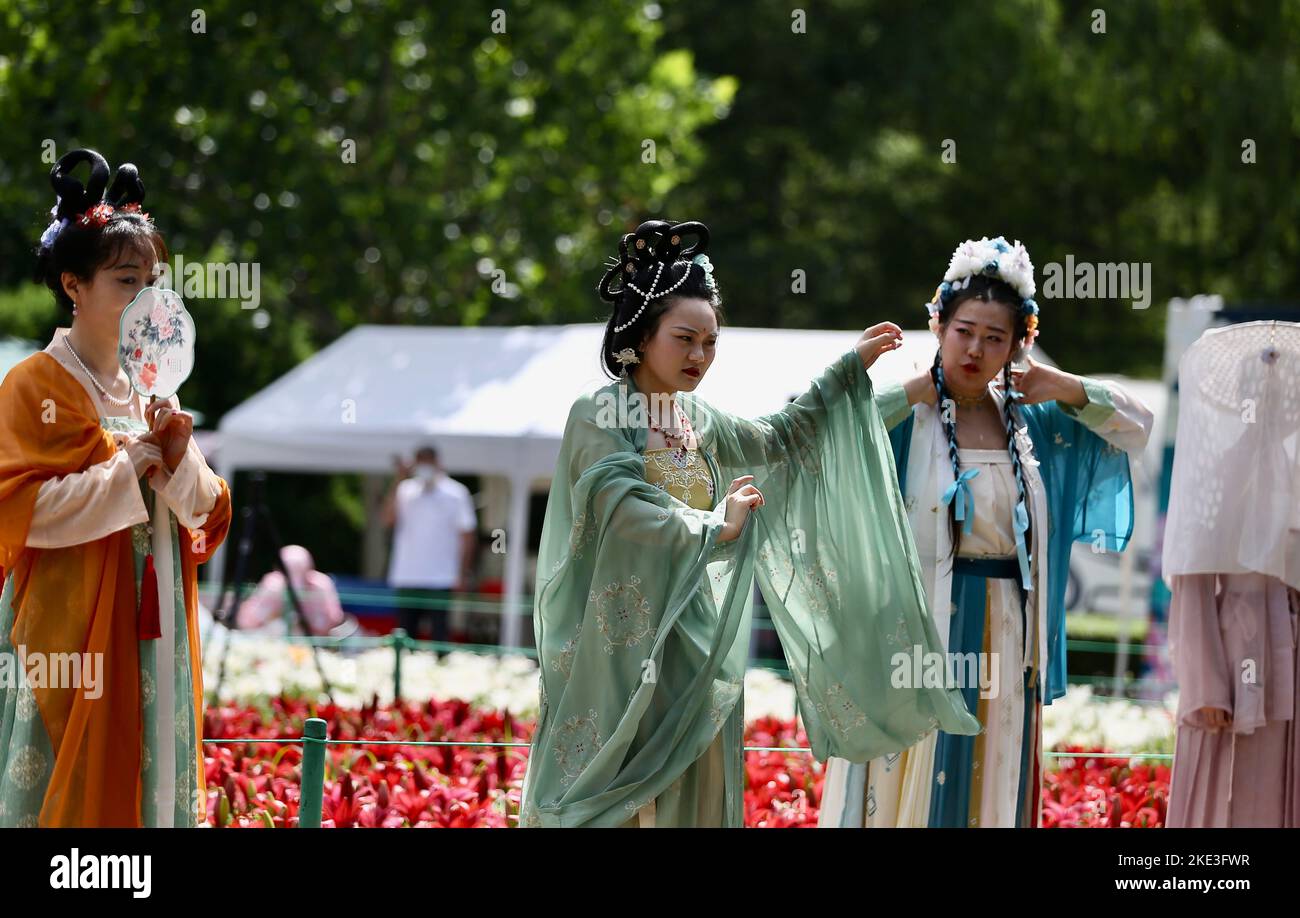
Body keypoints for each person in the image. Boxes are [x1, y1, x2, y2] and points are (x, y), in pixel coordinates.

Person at [519, 219, 979, 828]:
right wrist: (715, 527)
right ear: (640, 333)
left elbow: (779, 438)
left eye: (710, 343)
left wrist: (847, 372)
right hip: (619, 650)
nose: (699, 357)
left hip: (694, 645)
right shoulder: (603, 408)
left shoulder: (697, 417)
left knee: (692, 796)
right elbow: (620, 505)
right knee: (601, 805)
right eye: (684, 339)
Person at [819, 237, 1154, 827]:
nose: (975, 349)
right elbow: (824, 441)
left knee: (992, 776)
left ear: (1019, 341)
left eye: (995, 337)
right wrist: (910, 394)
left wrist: (1063, 386)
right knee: (913, 780)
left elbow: (1136, 426)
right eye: (963, 330)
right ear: (938, 325)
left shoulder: (1033, 417)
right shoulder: (909, 413)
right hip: (918, 625)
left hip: (1008, 627)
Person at [0, 149, 232, 827]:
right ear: (74, 284)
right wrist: (128, 465)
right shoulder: (34, 386)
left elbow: (206, 512)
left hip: (154, 615)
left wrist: (178, 459)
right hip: (69, 629)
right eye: (127, 280)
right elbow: (22, 511)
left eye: (153, 282)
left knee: (152, 776)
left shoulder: (158, 386)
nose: (146, 298)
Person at [1162, 321, 1300, 827]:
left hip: (1294, 654)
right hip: (1233, 656)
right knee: (1221, 791)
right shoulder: (1214, 474)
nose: (1274, 400)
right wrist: (1204, 687)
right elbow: (1193, 586)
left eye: (1286, 390)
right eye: (1261, 389)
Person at [382, 445, 476, 644]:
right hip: (407, 577)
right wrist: (399, 477)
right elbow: (387, 519)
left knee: (440, 637)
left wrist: (463, 572)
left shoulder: (456, 493)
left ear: (437, 463)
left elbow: (467, 535)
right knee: (405, 637)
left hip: (441, 578)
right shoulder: (405, 489)